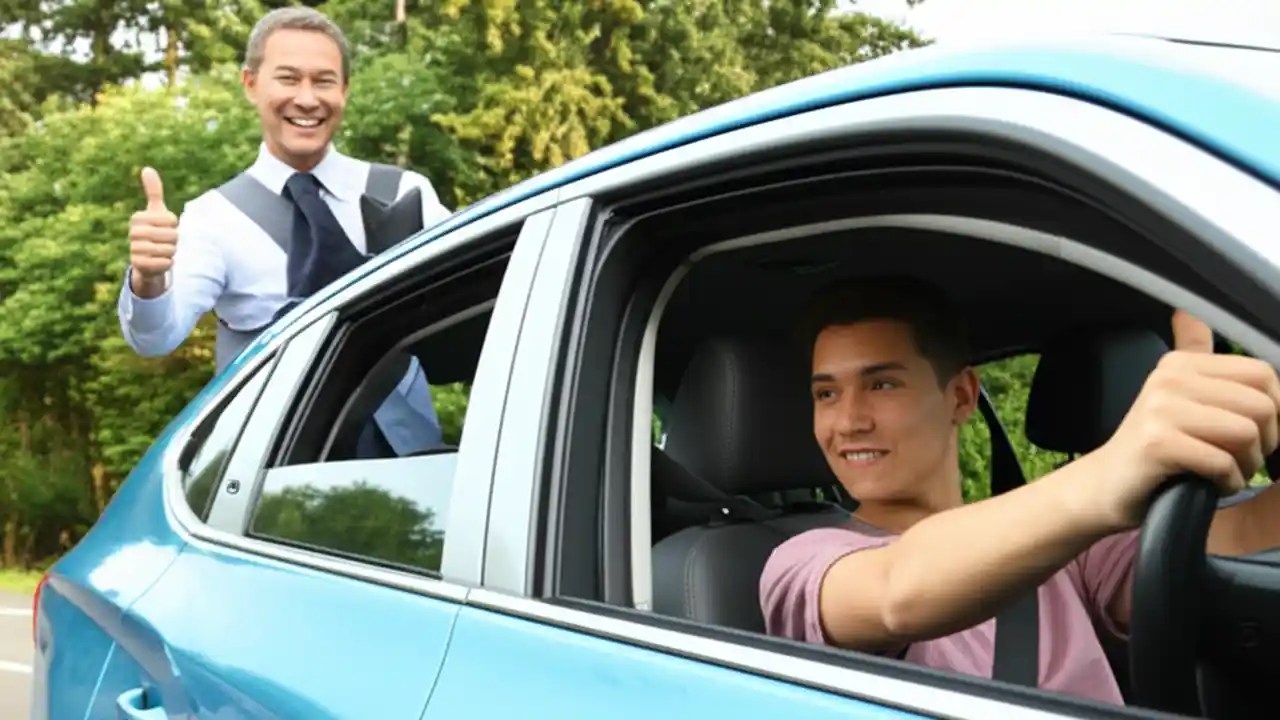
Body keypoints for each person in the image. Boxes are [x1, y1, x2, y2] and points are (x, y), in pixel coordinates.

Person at [759, 277, 1280, 705]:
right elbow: (897, 592)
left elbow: (1244, 535)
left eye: (881, 384)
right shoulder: (802, 563)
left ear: (960, 396)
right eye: (826, 393)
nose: (848, 421)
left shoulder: (1065, 545)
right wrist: (1111, 470)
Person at [119, 6, 451, 456]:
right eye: (289, 78)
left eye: (324, 81)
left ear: (345, 91)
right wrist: (148, 278)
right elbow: (155, 339)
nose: (308, 99)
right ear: (251, 84)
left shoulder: (406, 194)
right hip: (274, 480)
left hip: (412, 469)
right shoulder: (214, 217)